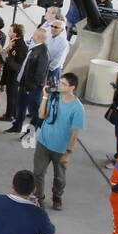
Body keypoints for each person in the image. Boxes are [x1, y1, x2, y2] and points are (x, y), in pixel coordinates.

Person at [32, 72, 85, 210]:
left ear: (72, 87)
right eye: (59, 82)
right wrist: (45, 97)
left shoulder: (77, 108)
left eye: (63, 84)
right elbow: (41, 115)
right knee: (38, 172)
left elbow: (75, 133)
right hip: (44, 142)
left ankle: (57, 197)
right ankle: (38, 197)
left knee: (59, 177)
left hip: (60, 148)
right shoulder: (54, 97)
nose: (59, 86)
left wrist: (69, 152)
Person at [8, 27, 48, 132]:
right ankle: (17, 126)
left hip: (32, 87)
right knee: (20, 106)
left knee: (34, 110)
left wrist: (30, 87)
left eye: (34, 34)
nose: (32, 35)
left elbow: (40, 73)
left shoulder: (42, 52)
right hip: (25, 84)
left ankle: (31, 132)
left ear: (38, 37)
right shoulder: (36, 48)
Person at [0, 24, 27, 122]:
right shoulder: (13, 42)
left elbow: (15, 62)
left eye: (10, 31)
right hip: (10, 72)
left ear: (15, 33)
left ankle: (10, 115)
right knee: (10, 94)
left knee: (12, 95)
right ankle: (10, 113)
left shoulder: (20, 45)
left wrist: (7, 55)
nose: (9, 32)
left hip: (14, 74)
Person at [44, 20, 69, 85]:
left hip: (53, 70)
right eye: (52, 26)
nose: (53, 28)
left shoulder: (64, 43)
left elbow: (59, 60)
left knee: (52, 90)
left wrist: (48, 68)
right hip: (44, 67)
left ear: (62, 30)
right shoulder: (48, 37)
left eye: (56, 27)